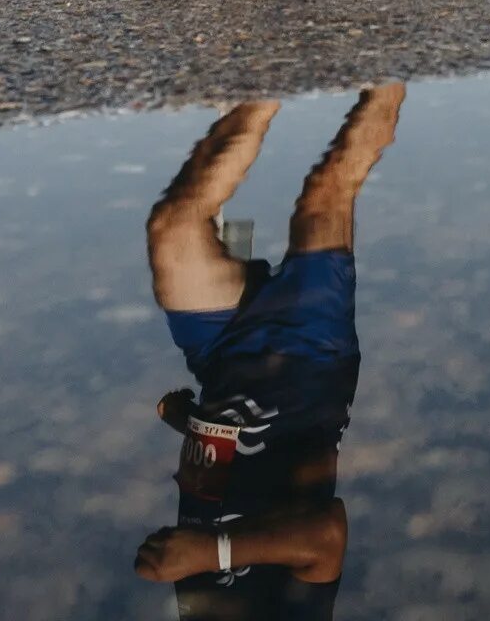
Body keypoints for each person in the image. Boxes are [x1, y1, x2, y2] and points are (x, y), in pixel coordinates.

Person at [133, 84, 403, 598]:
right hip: (304, 373)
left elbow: (230, 489)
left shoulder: (199, 610)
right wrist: (212, 553)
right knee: (325, 196)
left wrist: (191, 426)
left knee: (173, 226)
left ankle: (263, 81)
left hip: (219, 364)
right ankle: (392, 57)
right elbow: (326, 537)